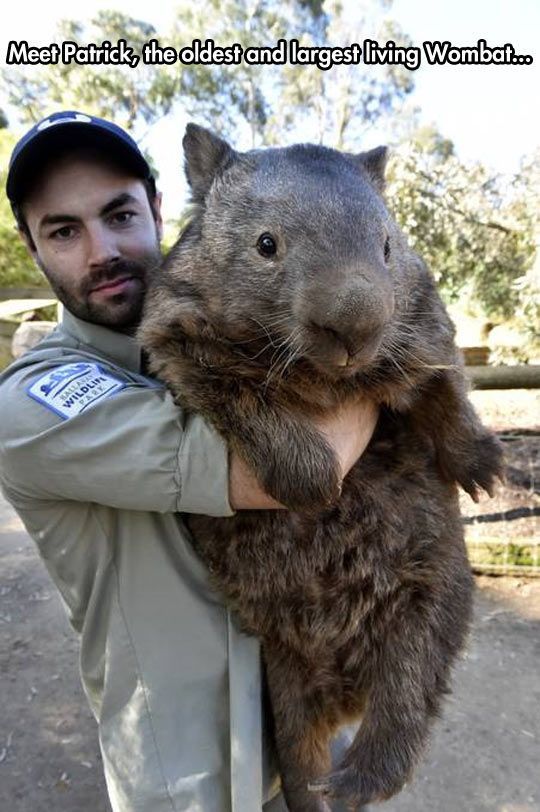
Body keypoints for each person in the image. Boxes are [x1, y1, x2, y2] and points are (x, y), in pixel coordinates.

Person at [0, 111, 379, 812]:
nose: (101, 250)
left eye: (119, 215)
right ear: (32, 247)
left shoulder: (230, 330)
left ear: (159, 209)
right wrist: (377, 361)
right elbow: (309, 463)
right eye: (63, 230)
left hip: (294, 736)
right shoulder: (31, 406)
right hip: (189, 777)